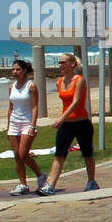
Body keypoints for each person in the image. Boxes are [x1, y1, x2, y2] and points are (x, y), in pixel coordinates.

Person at [39, 53, 99, 194]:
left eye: (63, 62)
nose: (61, 65)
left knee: (87, 154)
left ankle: (92, 182)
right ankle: (50, 185)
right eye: (59, 63)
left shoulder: (79, 80)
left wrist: (61, 118)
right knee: (59, 154)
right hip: (67, 125)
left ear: (72, 64)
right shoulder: (59, 82)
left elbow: (76, 101)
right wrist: (64, 119)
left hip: (82, 123)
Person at [5, 58, 45, 196]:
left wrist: (33, 125)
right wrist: (8, 125)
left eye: (18, 69)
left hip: (27, 123)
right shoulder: (12, 87)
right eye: (13, 69)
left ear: (25, 71)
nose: (15, 72)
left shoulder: (31, 86)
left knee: (23, 154)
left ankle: (40, 175)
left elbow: (34, 107)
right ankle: (23, 184)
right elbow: (11, 108)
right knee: (17, 156)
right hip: (14, 123)